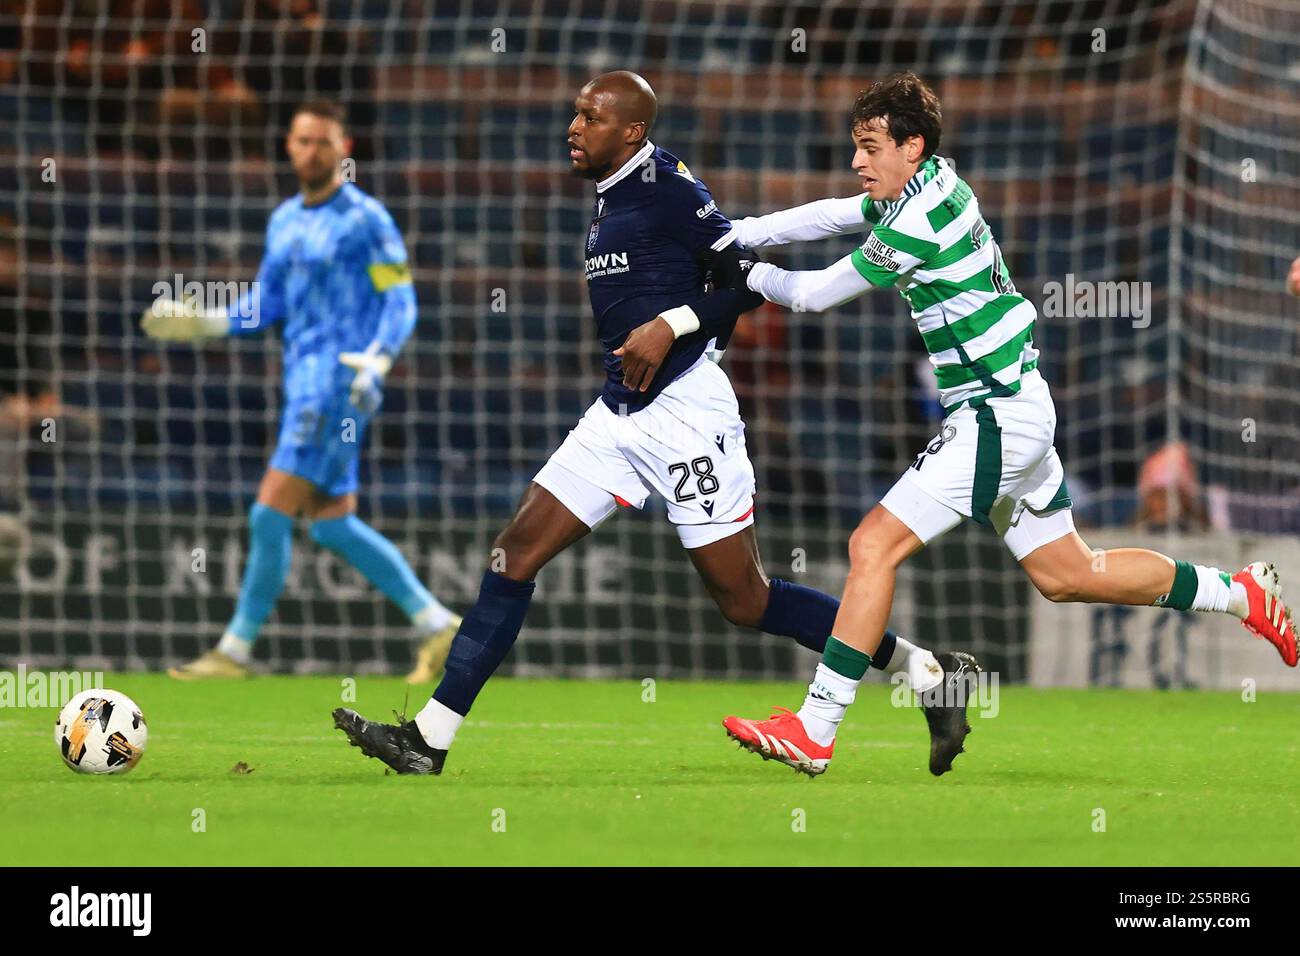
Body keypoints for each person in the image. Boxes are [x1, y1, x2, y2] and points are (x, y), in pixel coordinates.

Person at [331, 72, 967, 776]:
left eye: (589, 117)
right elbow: (778, 230)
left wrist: (676, 320)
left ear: (631, 131)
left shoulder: (669, 190)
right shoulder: (615, 195)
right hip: (619, 411)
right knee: (514, 554)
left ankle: (925, 673)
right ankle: (429, 739)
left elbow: (734, 279)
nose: (574, 128)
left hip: (688, 413)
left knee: (746, 600)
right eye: (574, 114)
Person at [701, 72, 1295, 776]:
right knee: (1069, 573)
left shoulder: (918, 220)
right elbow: (836, 214)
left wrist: (747, 275)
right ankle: (1241, 592)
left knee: (872, 547)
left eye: (869, 147)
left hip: (994, 413)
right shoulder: (936, 183)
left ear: (911, 146)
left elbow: (816, 295)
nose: (858, 162)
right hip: (1017, 403)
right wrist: (740, 232)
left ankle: (816, 727)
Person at [141, 99, 459, 681]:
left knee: (268, 513)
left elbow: (400, 298)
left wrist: (379, 358)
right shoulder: (285, 219)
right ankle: (437, 625)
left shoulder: (367, 220)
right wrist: (207, 322)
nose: (310, 151)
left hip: (340, 384)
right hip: (302, 383)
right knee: (333, 524)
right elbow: (268, 301)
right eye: (301, 140)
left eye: (322, 141)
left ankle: (234, 651)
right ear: (289, 146)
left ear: (345, 149)